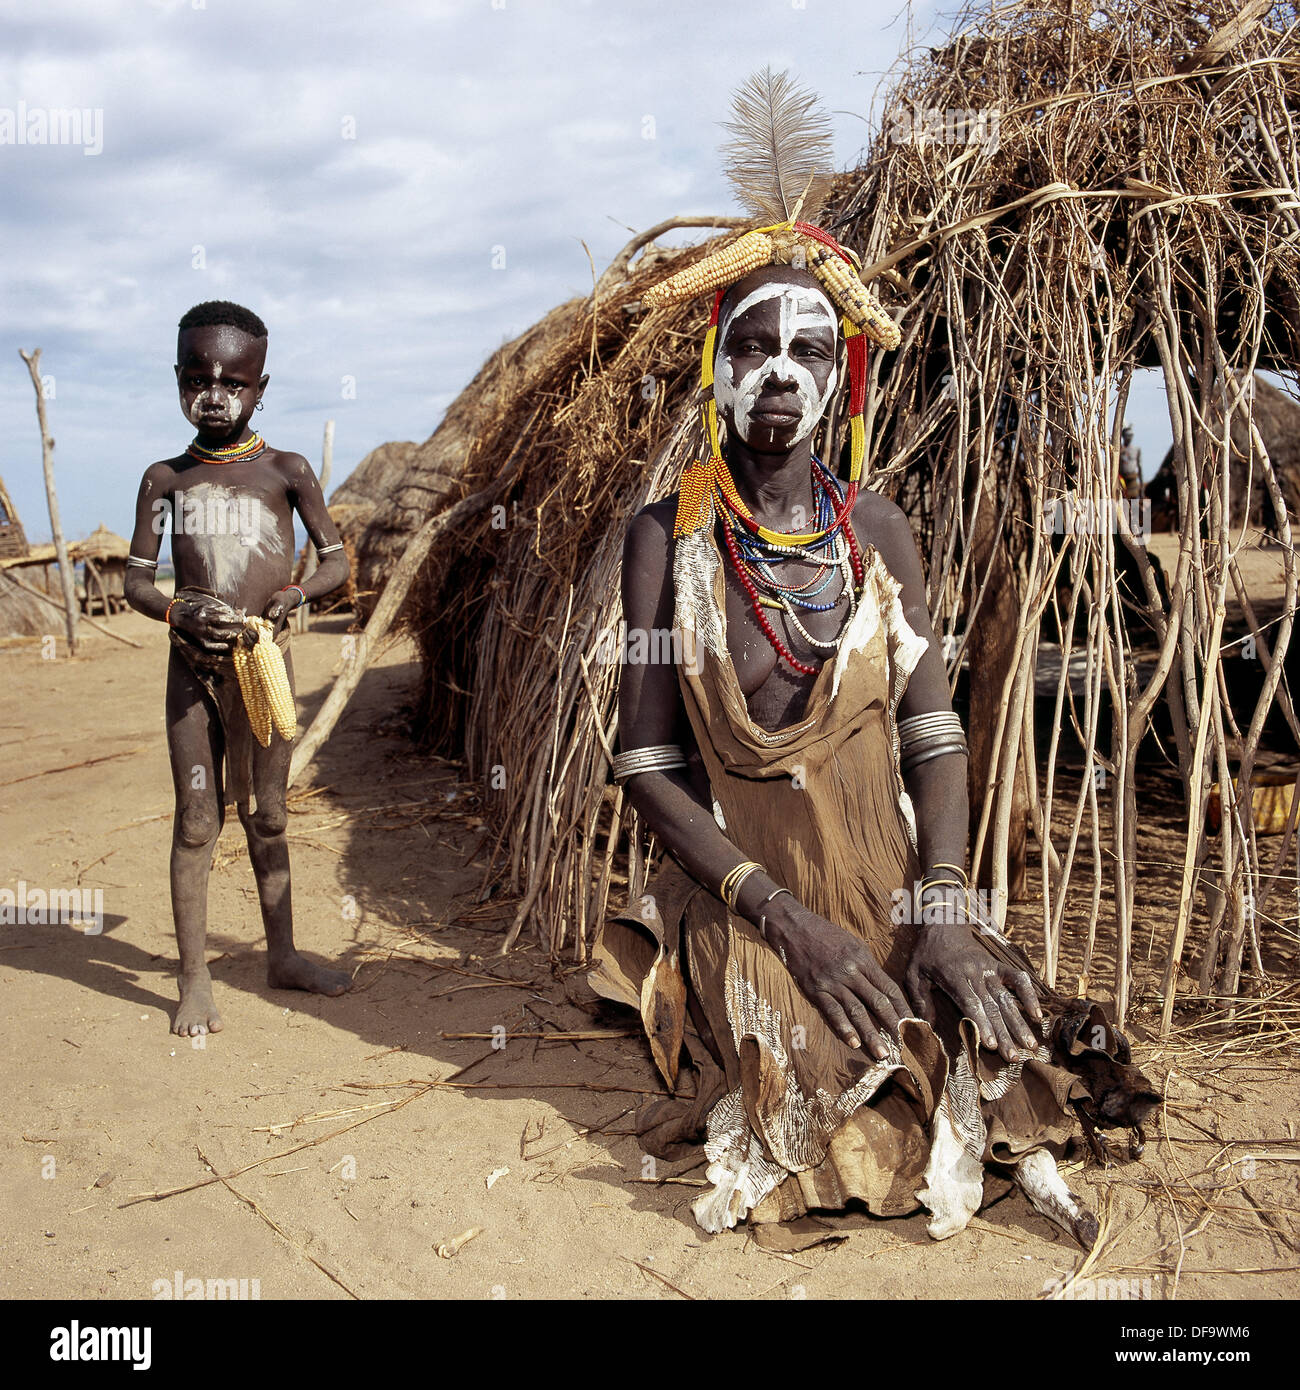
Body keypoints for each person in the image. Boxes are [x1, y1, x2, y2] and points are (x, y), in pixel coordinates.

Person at [592, 123, 1116, 1242]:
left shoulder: (876, 528)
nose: (779, 371)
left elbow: (931, 732)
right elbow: (642, 761)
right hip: (751, 884)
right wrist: (785, 924)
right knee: (827, 1102)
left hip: (888, 879)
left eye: (809, 350)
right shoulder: (662, 539)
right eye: (752, 345)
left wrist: (940, 906)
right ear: (715, 367)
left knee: (1005, 1046)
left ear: (843, 374)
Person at [124, 301, 351, 1036]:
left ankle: (282, 955)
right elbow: (135, 582)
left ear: (261, 387)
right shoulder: (165, 479)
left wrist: (293, 594)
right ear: (179, 381)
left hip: (264, 669)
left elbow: (337, 562)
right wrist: (173, 612)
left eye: (234, 381)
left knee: (270, 814)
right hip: (191, 673)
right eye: (197, 378)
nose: (213, 394)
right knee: (197, 820)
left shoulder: (287, 471)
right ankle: (194, 979)